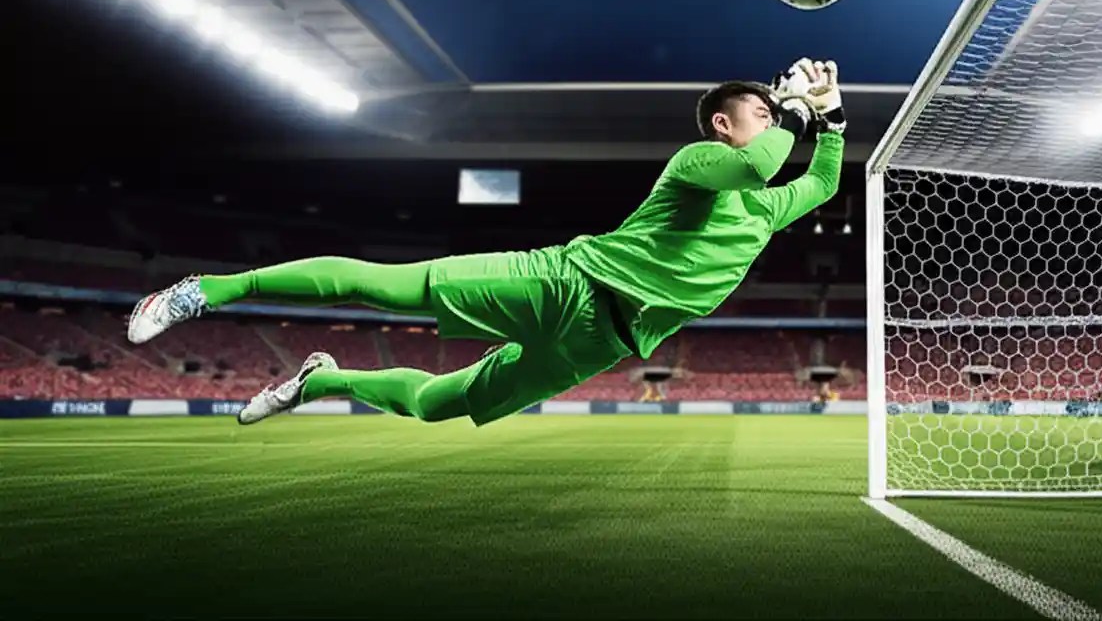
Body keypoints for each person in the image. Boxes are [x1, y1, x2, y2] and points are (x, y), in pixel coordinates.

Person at [126, 58, 847, 428]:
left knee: (439, 408)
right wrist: (788, 108)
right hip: (567, 283)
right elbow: (761, 160)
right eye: (758, 111)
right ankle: (202, 291)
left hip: (601, 347)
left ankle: (322, 380)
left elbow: (818, 181)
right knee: (382, 285)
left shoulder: (767, 208)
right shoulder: (700, 167)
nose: (772, 119)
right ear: (724, 126)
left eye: (773, 112)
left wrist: (833, 120)